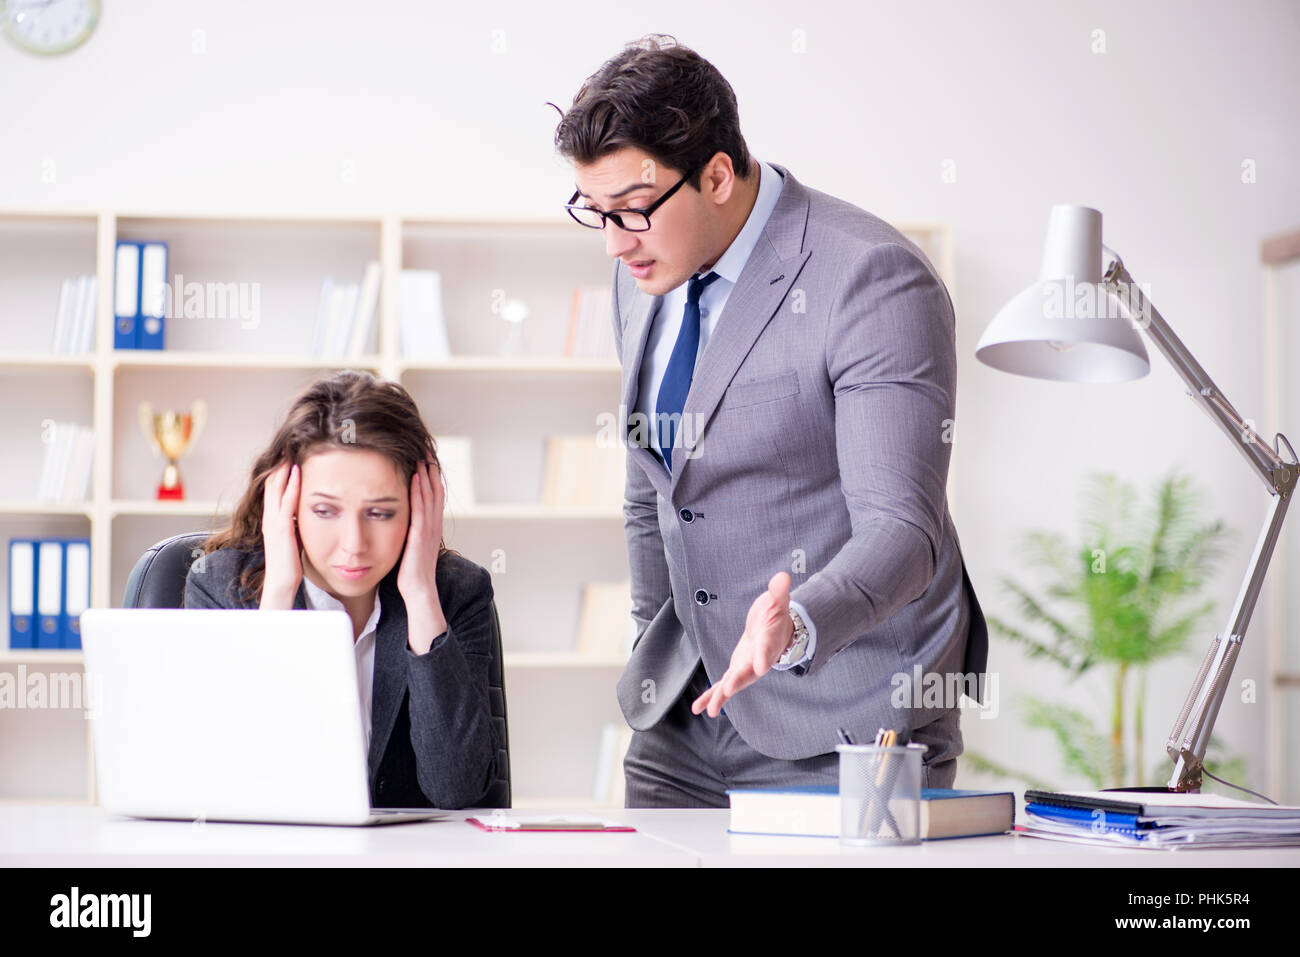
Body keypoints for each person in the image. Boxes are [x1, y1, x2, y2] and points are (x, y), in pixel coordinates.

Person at [554, 35, 989, 807]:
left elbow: (902, 531)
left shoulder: (869, 277)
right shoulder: (643, 275)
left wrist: (796, 627)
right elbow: (654, 489)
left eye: (633, 210)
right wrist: (652, 645)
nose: (617, 241)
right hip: (682, 715)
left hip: (847, 718)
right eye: (598, 212)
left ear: (717, 173)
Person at [182, 369, 501, 810]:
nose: (353, 545)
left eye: (380, 513)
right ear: (286, 504)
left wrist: (421, 594)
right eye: (325, 511)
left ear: (419, 506)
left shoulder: (455, 592)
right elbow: (232, 778)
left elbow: (456, 788)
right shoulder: (219, 586)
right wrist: (277, 597)